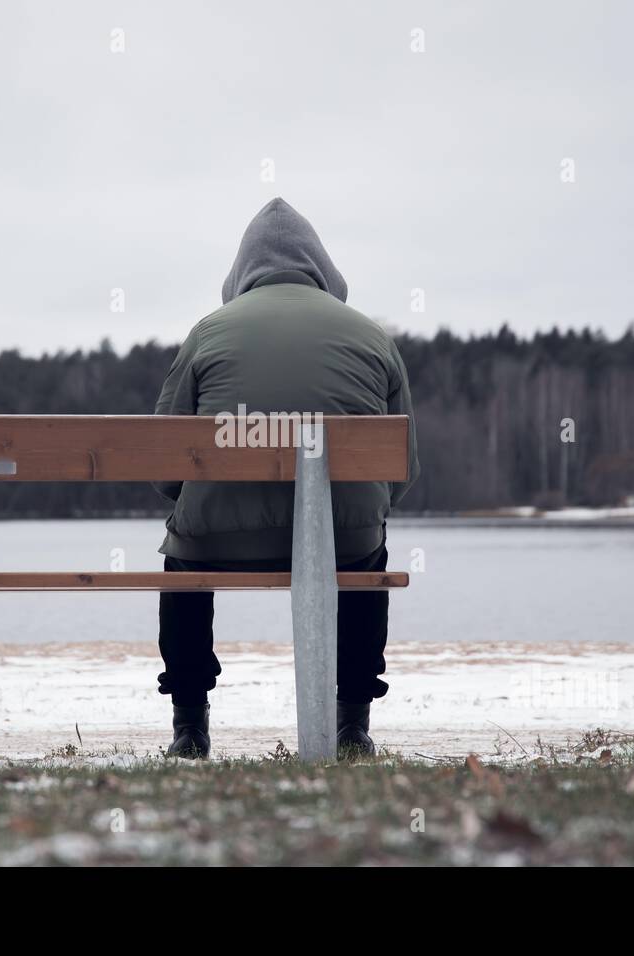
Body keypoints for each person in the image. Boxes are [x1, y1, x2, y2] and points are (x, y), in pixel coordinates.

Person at [152, 198, 420, 759]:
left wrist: (197, 500)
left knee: (183, 558)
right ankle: (352, 724)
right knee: (368, 549)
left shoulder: (209, 332)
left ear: (241, 271)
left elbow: (163, 462)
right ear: (323, 269)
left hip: (218, 537)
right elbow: (402, 471)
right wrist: (352, 510)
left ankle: (189, 726)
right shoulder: (372, 337)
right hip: (340, 538)